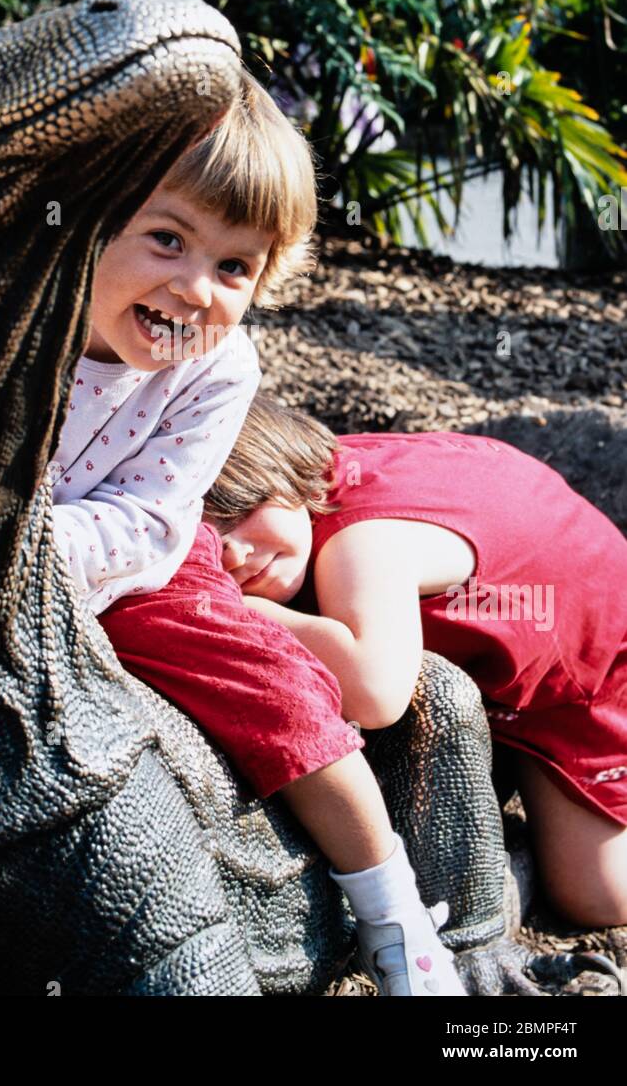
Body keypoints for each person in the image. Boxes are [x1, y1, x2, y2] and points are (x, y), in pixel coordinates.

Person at [65, 69, 467, 995]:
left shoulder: (220, 365)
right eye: (168, 239)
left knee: (277, 687)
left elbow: (155, 521)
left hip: (138, 562)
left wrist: (26, 549)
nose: (197, 288)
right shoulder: (13, 321)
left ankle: (395, 914)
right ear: (93, 223)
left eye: (236, 267)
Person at [203, 390, 627, 933]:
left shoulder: (363, 542)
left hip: (583, 670)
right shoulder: (314, 496)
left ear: (283, 465)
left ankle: (520, 799)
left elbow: (376, 695)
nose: (234, 553)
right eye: (208, 542)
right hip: (512, 611)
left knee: (596, 897)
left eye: (240, 511)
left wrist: (240, 607)